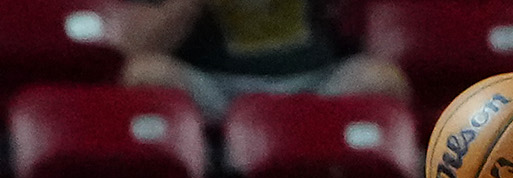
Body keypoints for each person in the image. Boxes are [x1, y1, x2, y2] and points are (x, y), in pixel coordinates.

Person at [101, 0, 407, 116]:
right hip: (216, 89)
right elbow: (135, 49)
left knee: (382, 79)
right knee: (145, 74)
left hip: (315, 84)